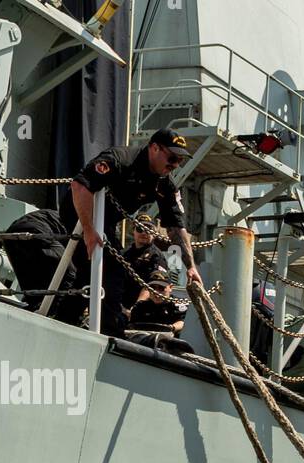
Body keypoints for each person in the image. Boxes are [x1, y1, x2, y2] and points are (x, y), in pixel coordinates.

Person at [62, 127, 203, 334]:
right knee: (112, 269)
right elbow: (80, 186)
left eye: (179, 161)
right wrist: (88, 230)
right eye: (172, 158)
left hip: (106, 223)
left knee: (92, 271)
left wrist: (190, 266)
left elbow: (174, 226)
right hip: (79, 213)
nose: (174, 165)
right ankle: (109, 331)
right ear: (154, 148)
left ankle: (65, 320)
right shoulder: (121, 159)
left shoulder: (164, 184)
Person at [125, 213, 169, 281]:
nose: (144, 233)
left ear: (154, 234)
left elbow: (158, 285)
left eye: (148, 230)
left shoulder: (157, 257)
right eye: (140, 229)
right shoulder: (125, 253)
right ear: (134, 231)